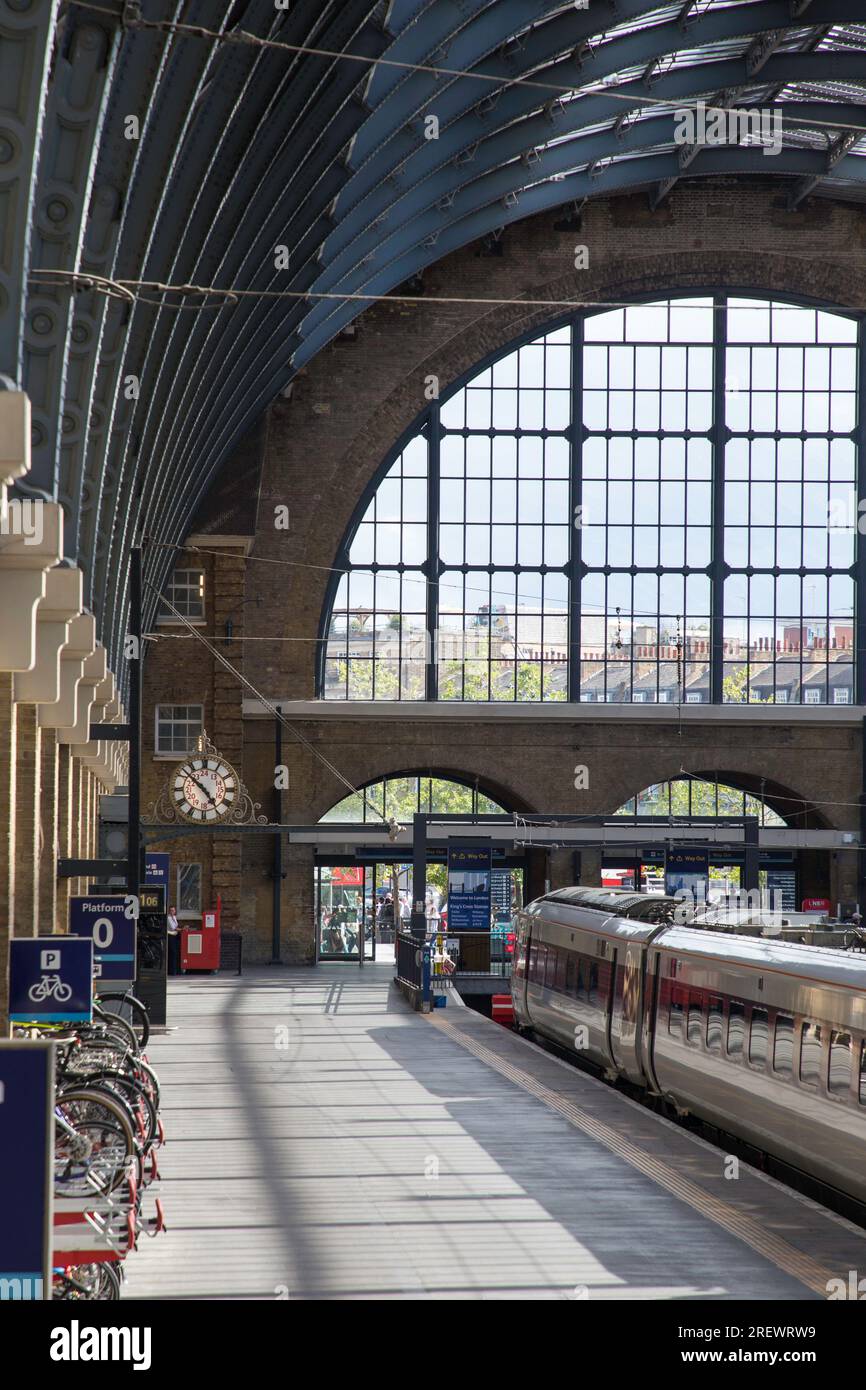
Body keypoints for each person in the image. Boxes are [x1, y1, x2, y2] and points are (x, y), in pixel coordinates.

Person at [167, 904, 181, 976]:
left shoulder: (174, 917)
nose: (172, 912)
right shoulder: (168, 918)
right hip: (170, 936)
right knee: (172, 953)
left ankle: (176, 970)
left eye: (173, 910)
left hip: (175, 936)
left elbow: (176, 926)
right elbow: (173, 928)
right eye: (171, 910)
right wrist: (182, 929)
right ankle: (171, 971)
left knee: (176, 953)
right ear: (169, 911)